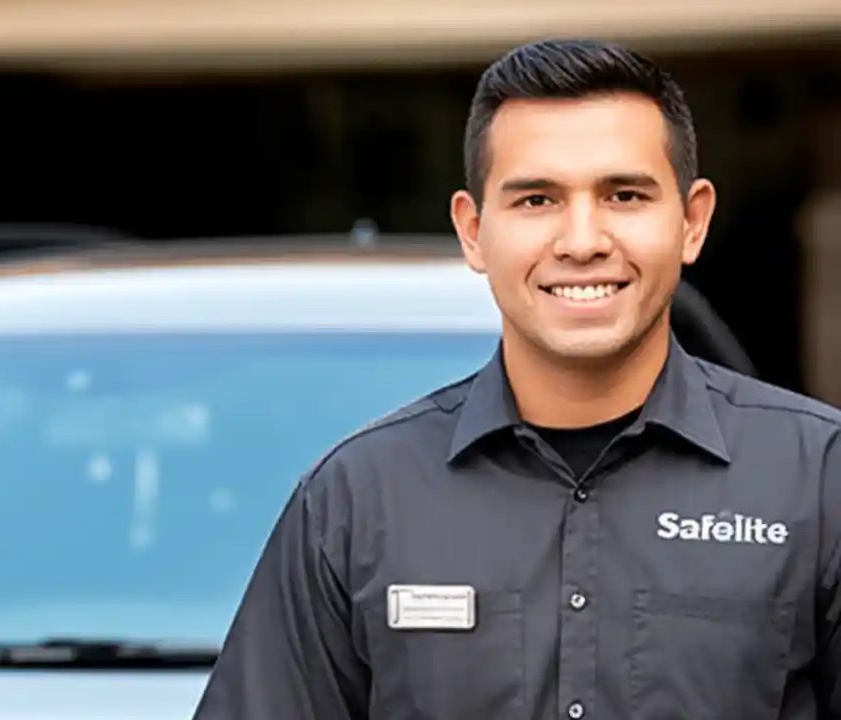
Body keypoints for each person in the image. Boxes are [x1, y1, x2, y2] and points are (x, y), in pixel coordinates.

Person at [192, 38, 841, 719]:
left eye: (624, 195)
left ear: (691, 220)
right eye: (537, 200)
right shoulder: (357, 503)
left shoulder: (818, 479)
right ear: (473, 231)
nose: (583, 240)